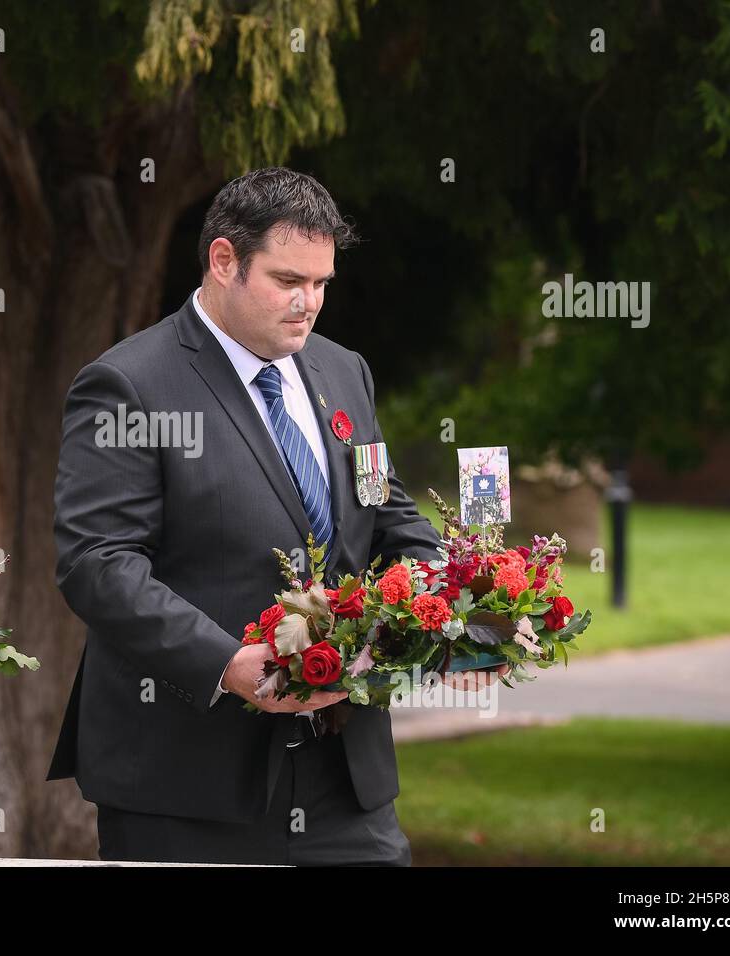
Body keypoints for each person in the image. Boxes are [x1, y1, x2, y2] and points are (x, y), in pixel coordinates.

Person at [47, 168, 506, 865]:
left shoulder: (344, 370)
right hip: (186, 784)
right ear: (224, 260)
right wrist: (224, 662)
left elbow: (386, 514)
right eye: (289, 280)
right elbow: (97, 565)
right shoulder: (130, 385)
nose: (309, 303)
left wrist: (451, 611)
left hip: (346, 774)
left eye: (322, 284)